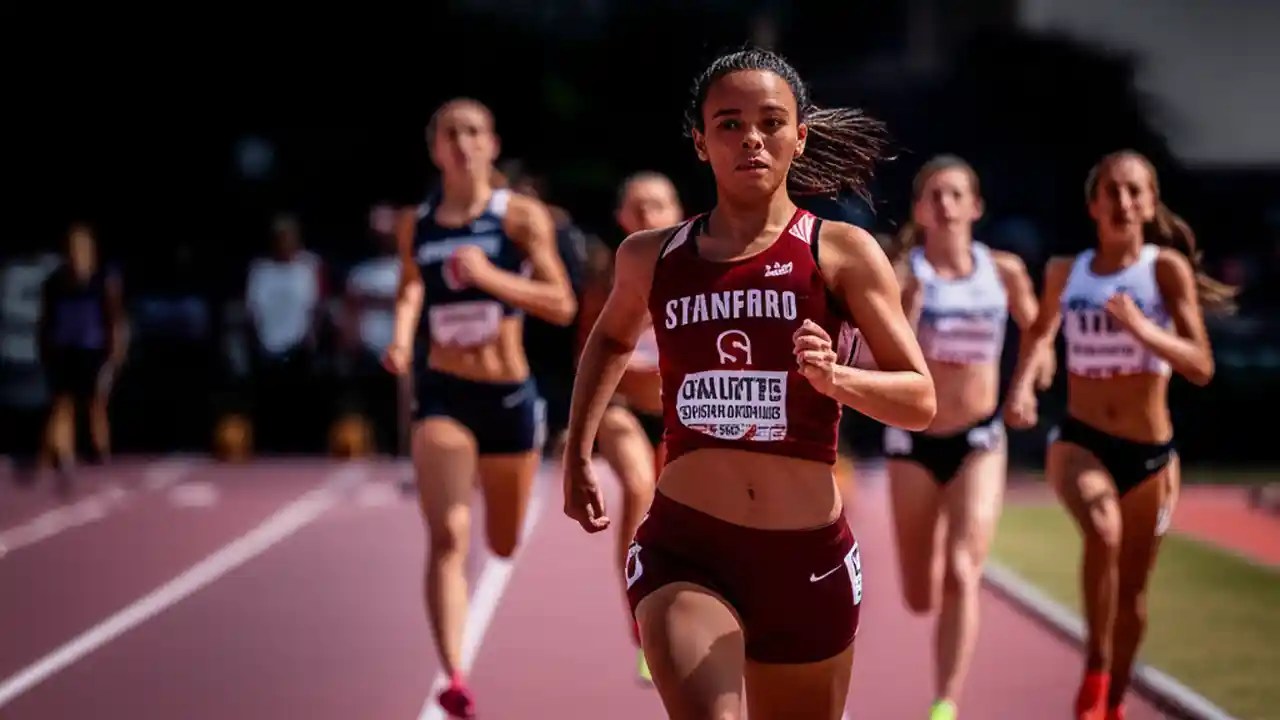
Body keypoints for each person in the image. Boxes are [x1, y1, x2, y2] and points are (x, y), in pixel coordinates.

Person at [563, 48, 936, 719]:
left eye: (770, 121)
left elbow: (919, 398)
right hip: (688, 548)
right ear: (700, 143)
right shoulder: (651, 256)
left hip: (808, 559)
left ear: (800, 136)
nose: (751, 139)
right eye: (729, 124)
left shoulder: (840, 251)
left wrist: (837, 378)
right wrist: (577, 453)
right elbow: (611, 339)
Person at [1005, 150, 1236, 720]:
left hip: (1150, 455)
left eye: (1135, 191)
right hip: (1081, 441)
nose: (1123, 202)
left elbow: (1201, 365)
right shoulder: (1067, 271)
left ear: (1151, 204)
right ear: (1094, 205)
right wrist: (1024, 388)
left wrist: (1141, 328)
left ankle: (1113, 700)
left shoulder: (1164, 271)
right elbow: (1040, 334)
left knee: (1132, 592)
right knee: (1102, 531)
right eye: (1112, 190)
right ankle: (1095, 670)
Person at [383, 97, 577, 720]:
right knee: (448, 535)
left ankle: (457, 661)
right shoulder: (418, 223)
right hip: (444, 392)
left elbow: (561, 303)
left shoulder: (517, 216)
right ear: (435, 149)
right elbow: (411, 287)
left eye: (473, 132)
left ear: (491, 145)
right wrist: (400, 338)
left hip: (509, 397)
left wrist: (489, 277)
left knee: (502, 540)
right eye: (450, 133)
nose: (462, 142)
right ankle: (454, 674)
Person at [881, 155, 1044, 720]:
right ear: (919, 210)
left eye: (955, 194)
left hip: (980, 439)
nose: (945, 205)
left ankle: (945, 701)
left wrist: (1026, 384)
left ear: (975, 207)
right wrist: (907, 314)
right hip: (913, 442)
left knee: (961, 570)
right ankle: (926, 603)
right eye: (934, 195)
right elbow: (875, 354)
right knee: (918, 593)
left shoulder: (1003, 271)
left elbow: (1038, 327)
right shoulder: (903, 274)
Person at [577, 170, 686, 681]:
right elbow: (590, 355)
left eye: (658, 205)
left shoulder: (696, 267)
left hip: (679, 413)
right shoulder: (609, 276)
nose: (648, 216)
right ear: (622, 217)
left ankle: (685, 616)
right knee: (639, 490)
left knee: (682, 514)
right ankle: (641, 628)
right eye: (638, 208)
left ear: (677, 212)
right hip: (622, 408)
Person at [37, 222, 127, 483]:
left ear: (92, 252)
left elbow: (115, 320)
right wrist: (44, 349)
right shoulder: (54, 282)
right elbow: (45, 321)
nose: (77, 254)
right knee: (62, 404)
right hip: (63, 350)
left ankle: (101, 457)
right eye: (73, 249)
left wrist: (115, 355)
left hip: (94, 351)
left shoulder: (104, 281)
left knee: (95, 405)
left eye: (82, 248)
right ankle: (63, 460)